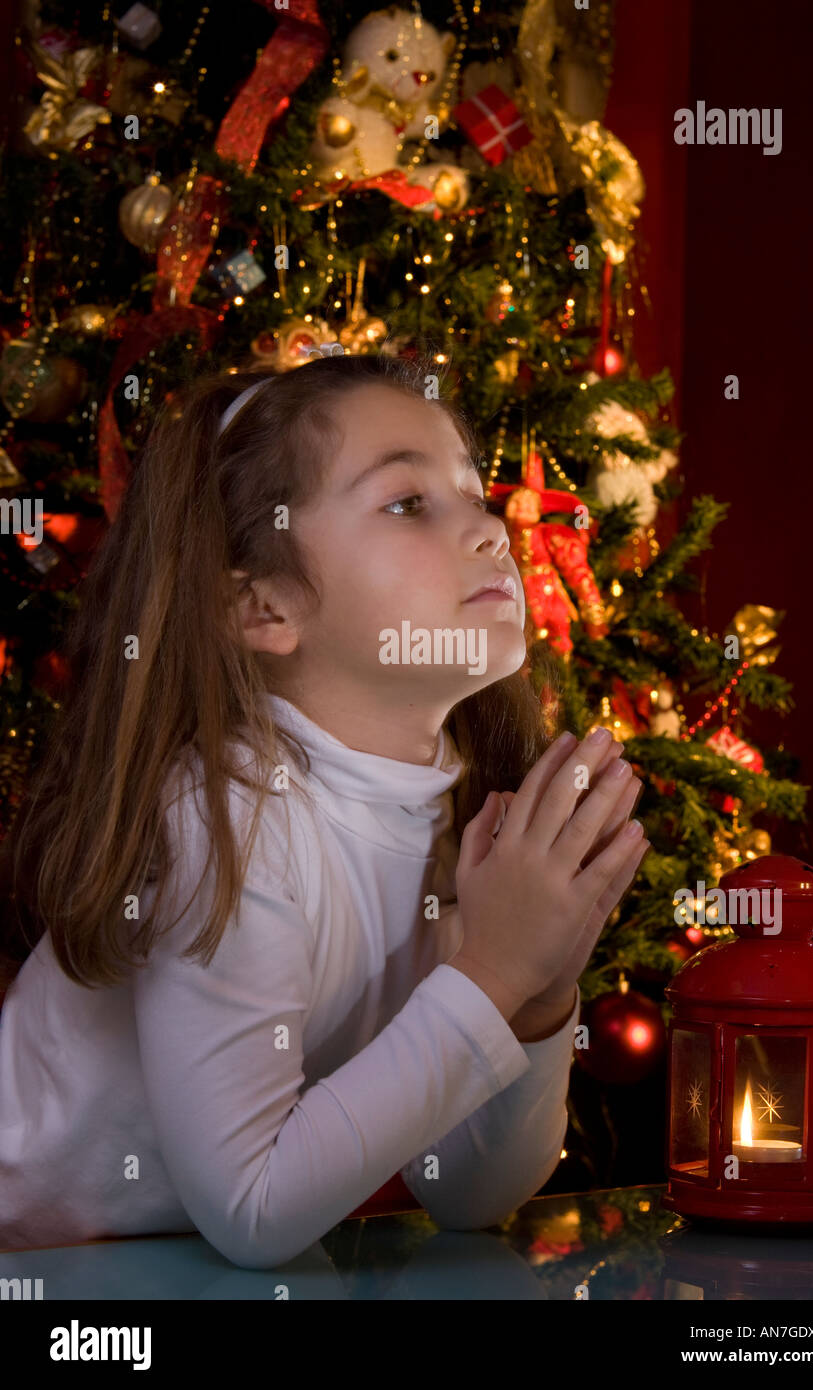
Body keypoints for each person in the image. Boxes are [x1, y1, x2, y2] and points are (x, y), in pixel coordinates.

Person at [0, 349, 648, 1268]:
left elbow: (468, 1194)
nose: (491, 529)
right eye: (407, 503)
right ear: (264, 605)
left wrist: (538, 994)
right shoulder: (224, 816)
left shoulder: (451, 813)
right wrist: (494, 972)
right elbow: (253, 1209)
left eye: (475, 492)